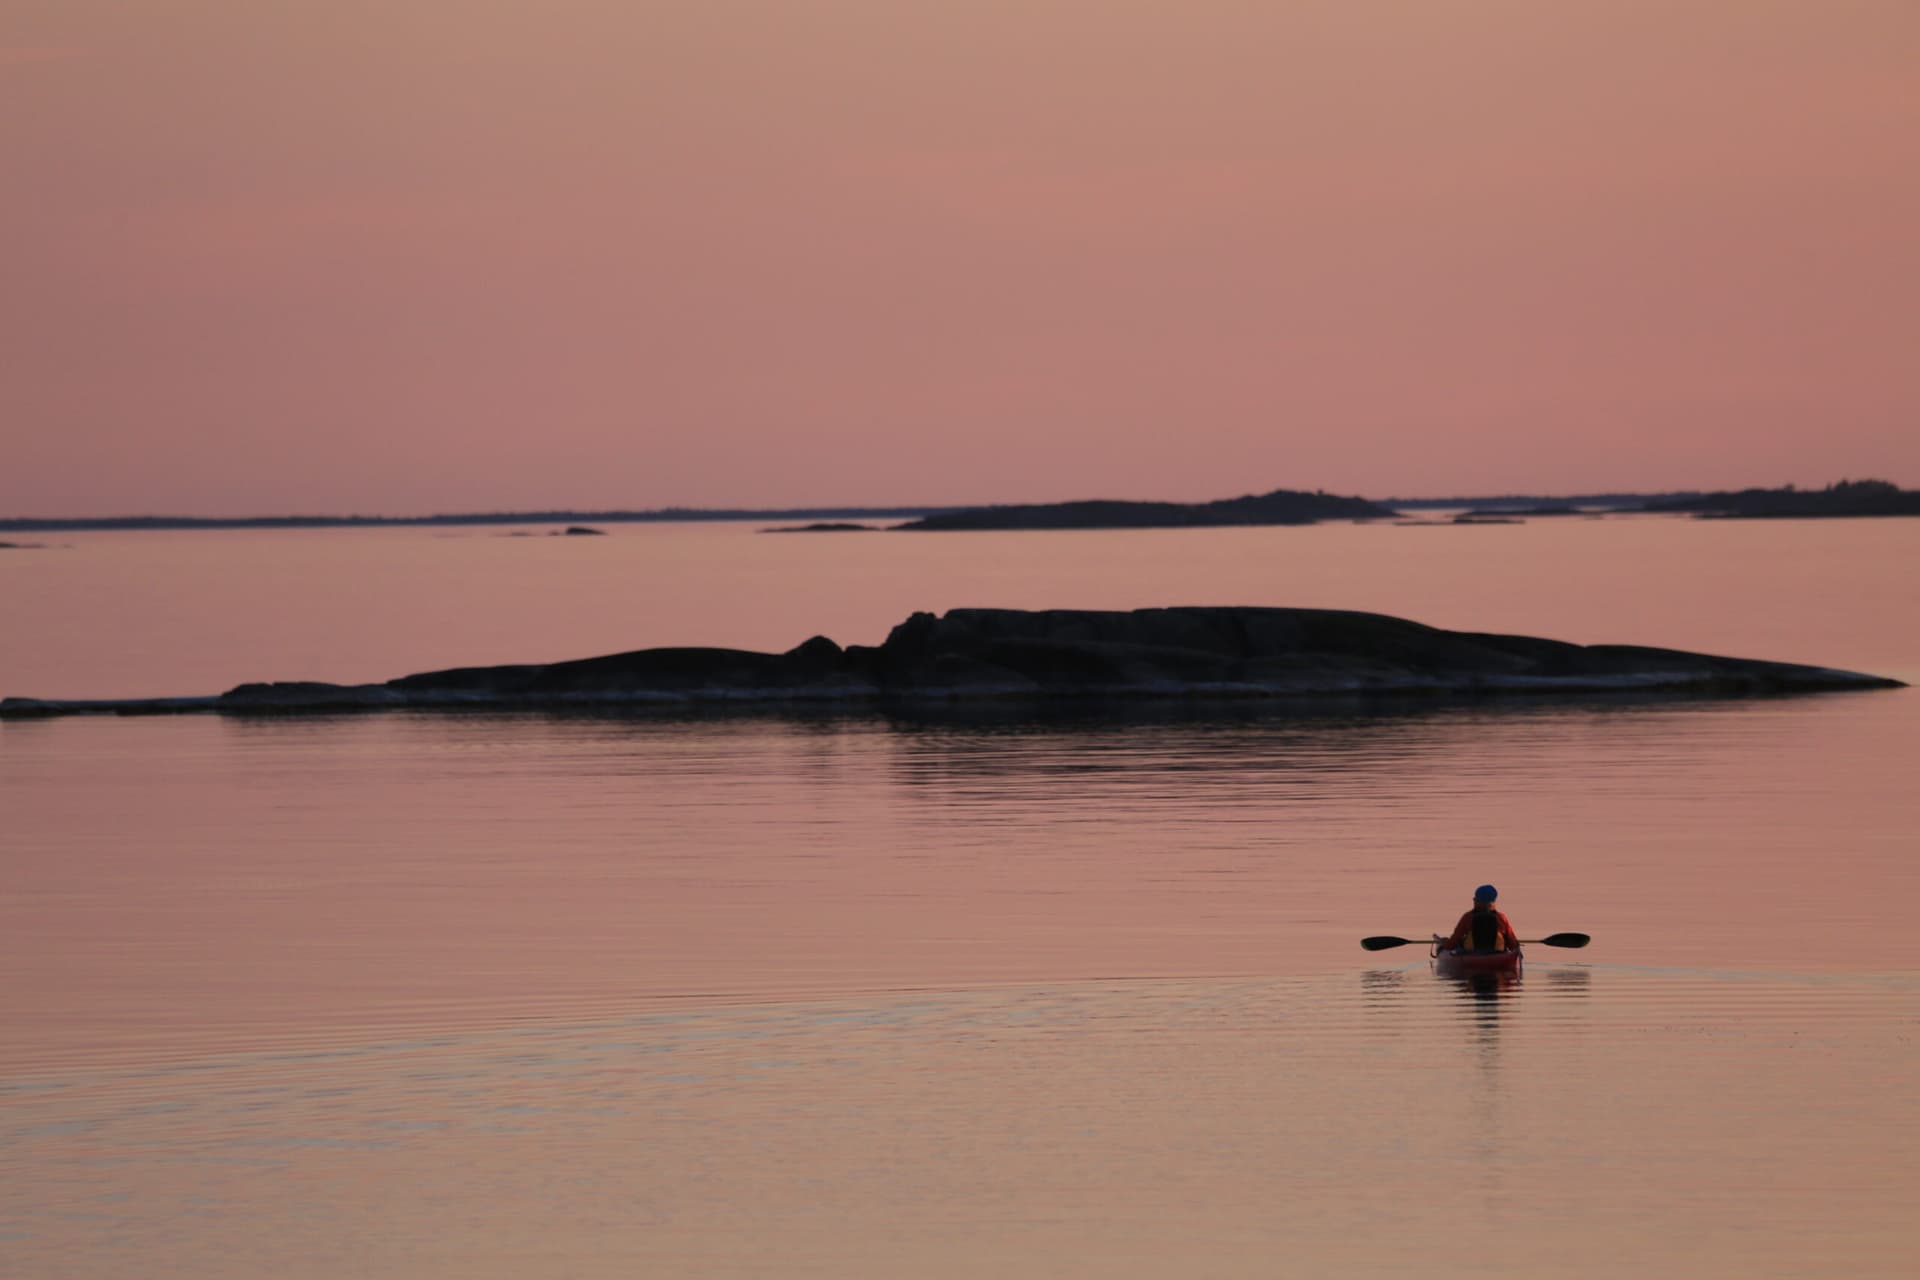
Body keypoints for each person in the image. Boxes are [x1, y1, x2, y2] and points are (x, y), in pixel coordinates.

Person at [1441, 884, 1519, 953]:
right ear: (1494, 901)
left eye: (1475, 898)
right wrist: (1515, 950)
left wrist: (1444, 946)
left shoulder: (1468, 917)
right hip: (1497, 954)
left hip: (1471, 955)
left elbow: (1454, 940)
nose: (1474, 900)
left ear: (1477, 901)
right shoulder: (1501, 918)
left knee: (1461, 943)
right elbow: (1512, 943)